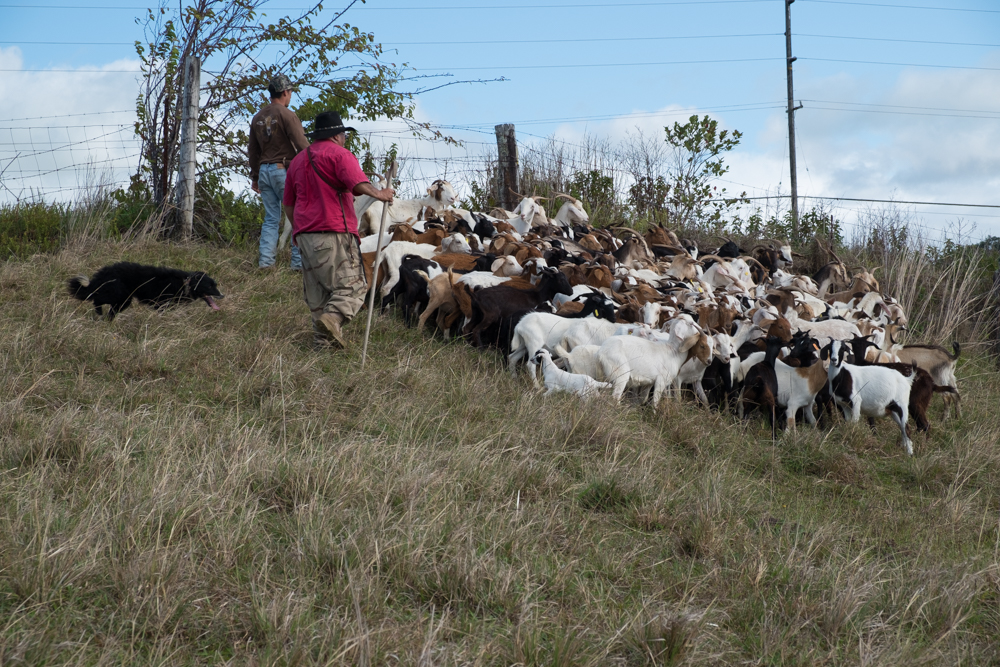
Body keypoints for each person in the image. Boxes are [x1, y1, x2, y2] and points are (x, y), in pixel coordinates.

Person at [282, 111, 394, 348]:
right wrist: (380, 194)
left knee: (318, 295)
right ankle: (333, 320)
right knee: (353, 288)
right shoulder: (340, 155)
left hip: (304, 236)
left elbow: (288, 204)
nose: (344, 139)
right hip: (334, 231)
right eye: (343, 134)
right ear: (337, 135)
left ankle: (323, 347)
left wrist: (298, 231)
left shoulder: (298, 161)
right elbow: (358, 183)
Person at [248, 74, 309, 270]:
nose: (290, 96)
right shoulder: (287, 114)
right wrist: (315, 166)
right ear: (285, 92)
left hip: (264, 171)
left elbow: (253, 151)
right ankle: (298, 264)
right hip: (284, 170)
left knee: (271, 218)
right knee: (298, 215)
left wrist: (255, 177)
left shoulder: (258, 117)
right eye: (290, 92)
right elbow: (302, 144)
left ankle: (266, 263)